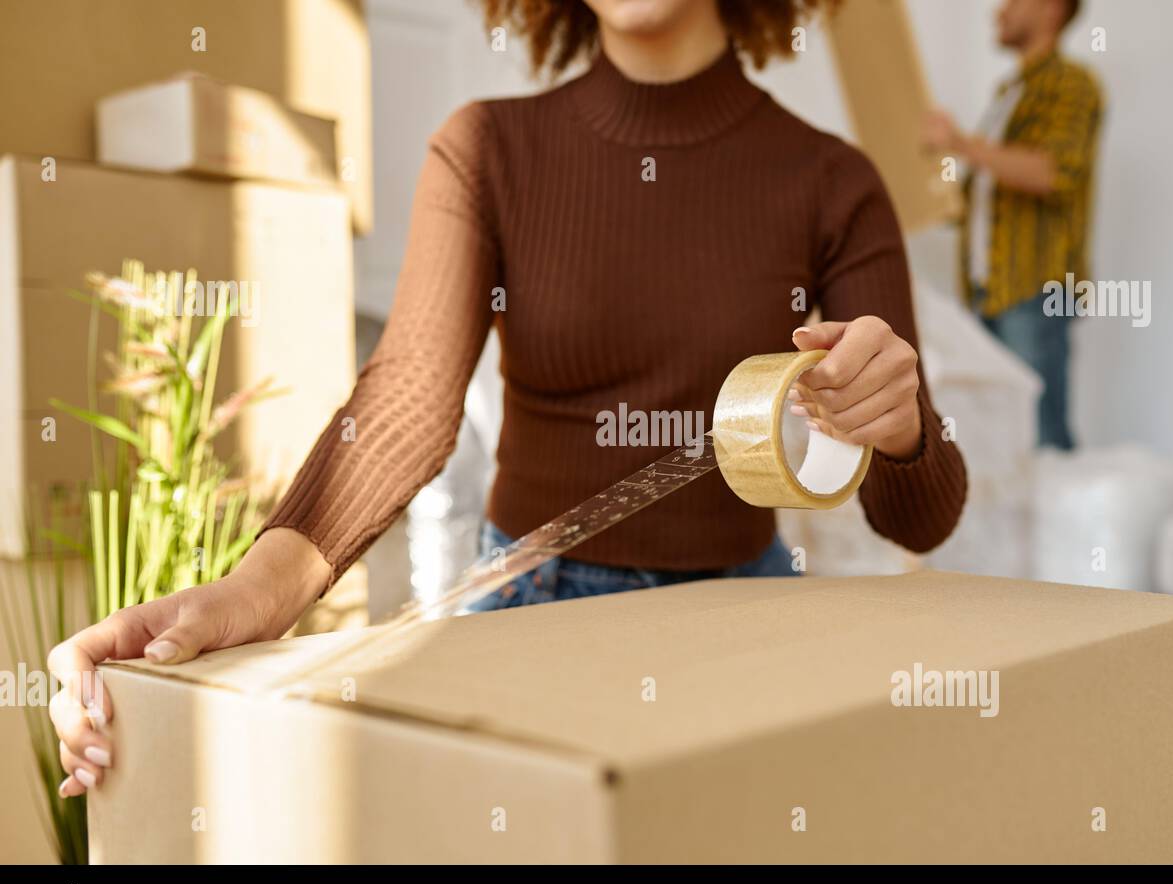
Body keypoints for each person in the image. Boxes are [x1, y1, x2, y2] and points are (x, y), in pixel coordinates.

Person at [48, 0, 967, 798]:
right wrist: (253, 594)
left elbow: (920, 519)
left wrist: (898, 426)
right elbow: (408, 394)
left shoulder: (831, 181)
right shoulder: (487, 149)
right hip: (532, 612)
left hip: (744, 623)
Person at [922, 0, 1101, 449]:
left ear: (1051, 9)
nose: (997, 11)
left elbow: (1051, 172)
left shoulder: (1071, 84)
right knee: (999, 435)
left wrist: (961, 144)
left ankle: (1057, 518)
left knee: (1040, 438)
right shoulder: (1009, 93)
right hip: (989, 289)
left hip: (1035, 288)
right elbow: (990, 193)